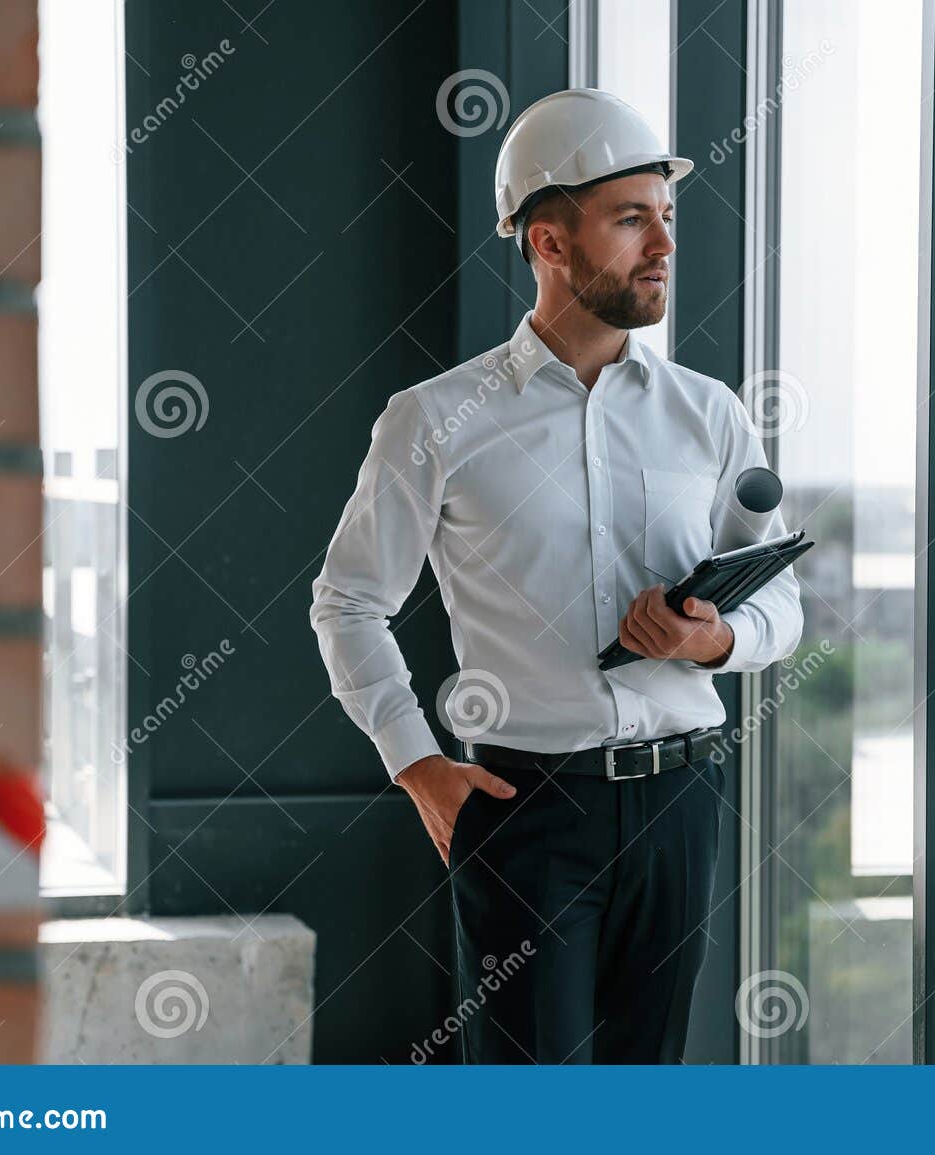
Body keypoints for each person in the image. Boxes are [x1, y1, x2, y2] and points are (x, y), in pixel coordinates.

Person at [310, 88, 802, 1063]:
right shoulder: (435, 419)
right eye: (629, 220)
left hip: (679, 805)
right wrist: (417, 767)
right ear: (547, 243)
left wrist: (715, 638)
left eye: (665, 217)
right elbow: (349, 601)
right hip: (525, 811)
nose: (661, 243)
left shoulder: (709, 415)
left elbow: (781, 597)